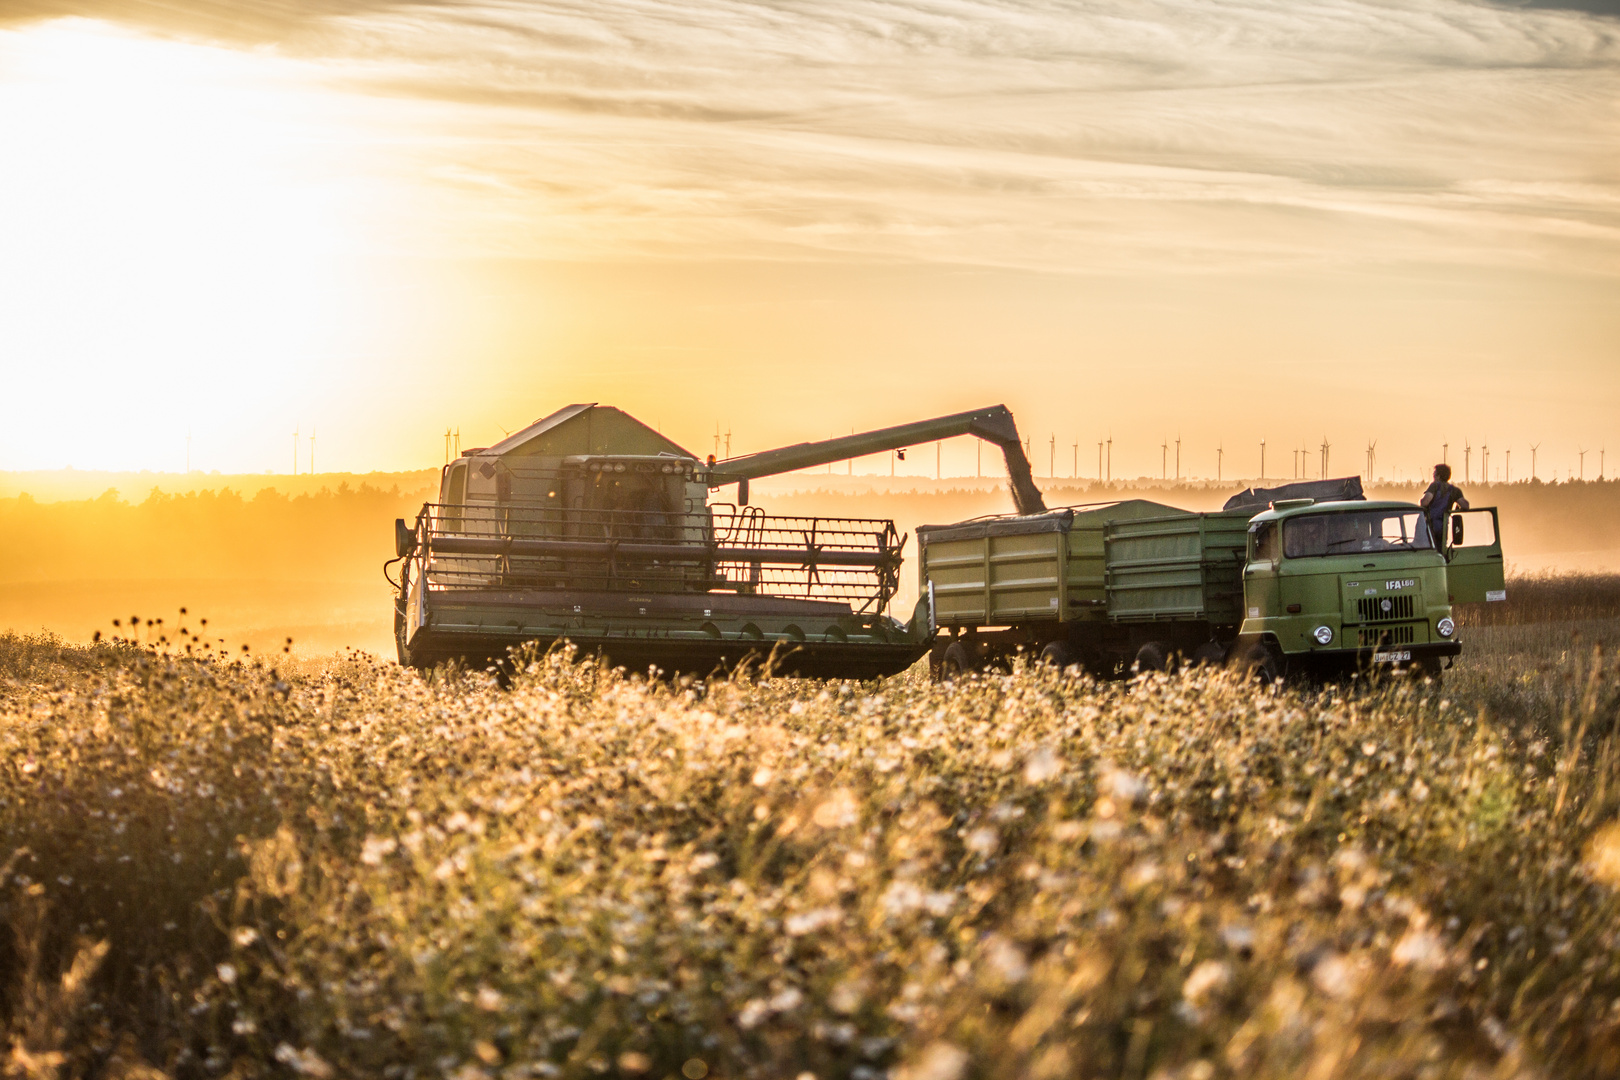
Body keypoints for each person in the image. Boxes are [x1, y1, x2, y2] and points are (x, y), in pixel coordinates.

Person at [1420, 463, 1469, 545]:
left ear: (1438, 476)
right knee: (1441, 548)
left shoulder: (1434, 486)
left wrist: (1421, 501)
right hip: (1443, 527)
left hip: (1427, 527)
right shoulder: (1455, 490)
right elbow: (1465, 505)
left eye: (1434, 473)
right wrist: (1456, 508)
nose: (1433, 476)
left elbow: (1425, 502)